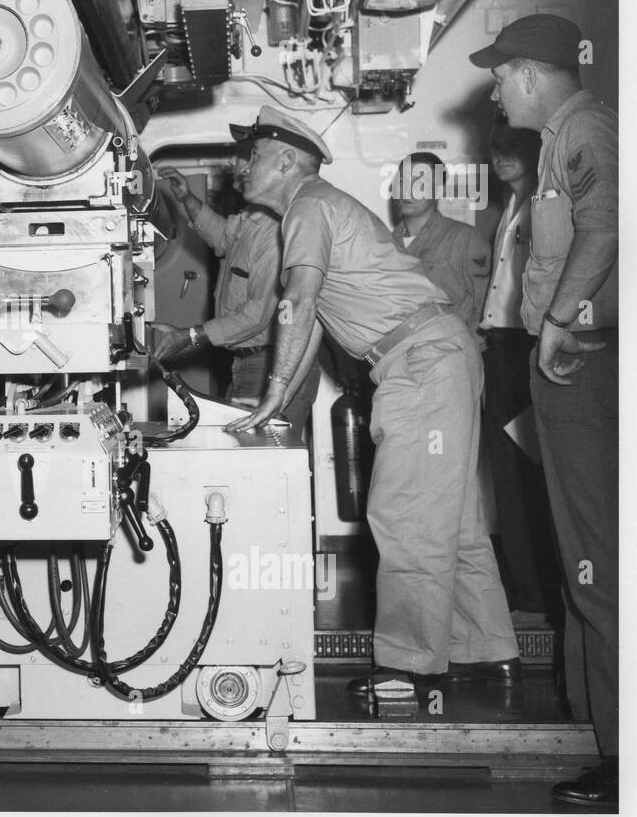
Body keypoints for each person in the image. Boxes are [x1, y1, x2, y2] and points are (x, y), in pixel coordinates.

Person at [222, 106, 519, 704]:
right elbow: (307, 326)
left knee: (405, 512)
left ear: (285, 160)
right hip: (433, 356)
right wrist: (277, 394)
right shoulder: (314, 210)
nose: (242, 166)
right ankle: (486, 652)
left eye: (252, 155)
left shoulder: (307, 206)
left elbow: (297, 304)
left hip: (420, 364)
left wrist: (275, 389)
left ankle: (411, 667)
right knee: (452, 520)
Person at [471, 14, 618, 807]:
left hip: (587, 366)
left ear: (529, 73)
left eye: (500, 75)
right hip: (571, 365)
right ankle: (598, 731)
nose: (494, 89)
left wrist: (558, 323)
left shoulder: (585, 129)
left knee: (599, 563)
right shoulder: (563, 141)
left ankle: (620, 760)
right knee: (583, 561)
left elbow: (606, 230)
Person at [151, 162, 320, 439]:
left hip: (270, 362)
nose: (240, 168)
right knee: (243, 451)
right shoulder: (251, 219)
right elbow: (221, 235)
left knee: (263, 457)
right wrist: (187, 199)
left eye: (250, 159)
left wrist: (189, 336)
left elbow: (256, 317)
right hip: (246, 362)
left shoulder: (276, 232)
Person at [477, 126, 560, 632]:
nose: (502, 156)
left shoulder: (540, 206)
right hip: (499, 349)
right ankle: (529, 593)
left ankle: (539, 596)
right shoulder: (507, 211)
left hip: (525, 347)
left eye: (514, 146)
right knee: (507, 472)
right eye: (496, 147)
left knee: (528, 474)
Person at [389, 152, 491, 336]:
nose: (407, 190)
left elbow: (484, 307)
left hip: (451, 354)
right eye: (403, 182)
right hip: (399, 356)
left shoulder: (466, 240)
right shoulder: (386, 244)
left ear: (439, 190)